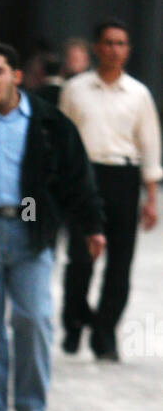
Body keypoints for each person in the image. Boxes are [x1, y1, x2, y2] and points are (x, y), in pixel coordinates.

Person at [0, 42, 105, 411]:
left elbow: (76, 177)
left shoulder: (49, 123)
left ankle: (33, 404)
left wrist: (92, 225)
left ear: (16, 76)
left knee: (33, 317)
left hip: (30, 228)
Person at [59, 19, 162, 359]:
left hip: (123, 178)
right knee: (80, 257)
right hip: (85, 178)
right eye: (108, 42)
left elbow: (149, 146)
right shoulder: (75, 90)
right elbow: (63, 140)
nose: (114, 49)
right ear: (96, 47)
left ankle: (105, 332)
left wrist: (150, 198)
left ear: (128, 50)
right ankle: (75, 320)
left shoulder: (138, 94)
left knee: (120, 261)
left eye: (121, 43)